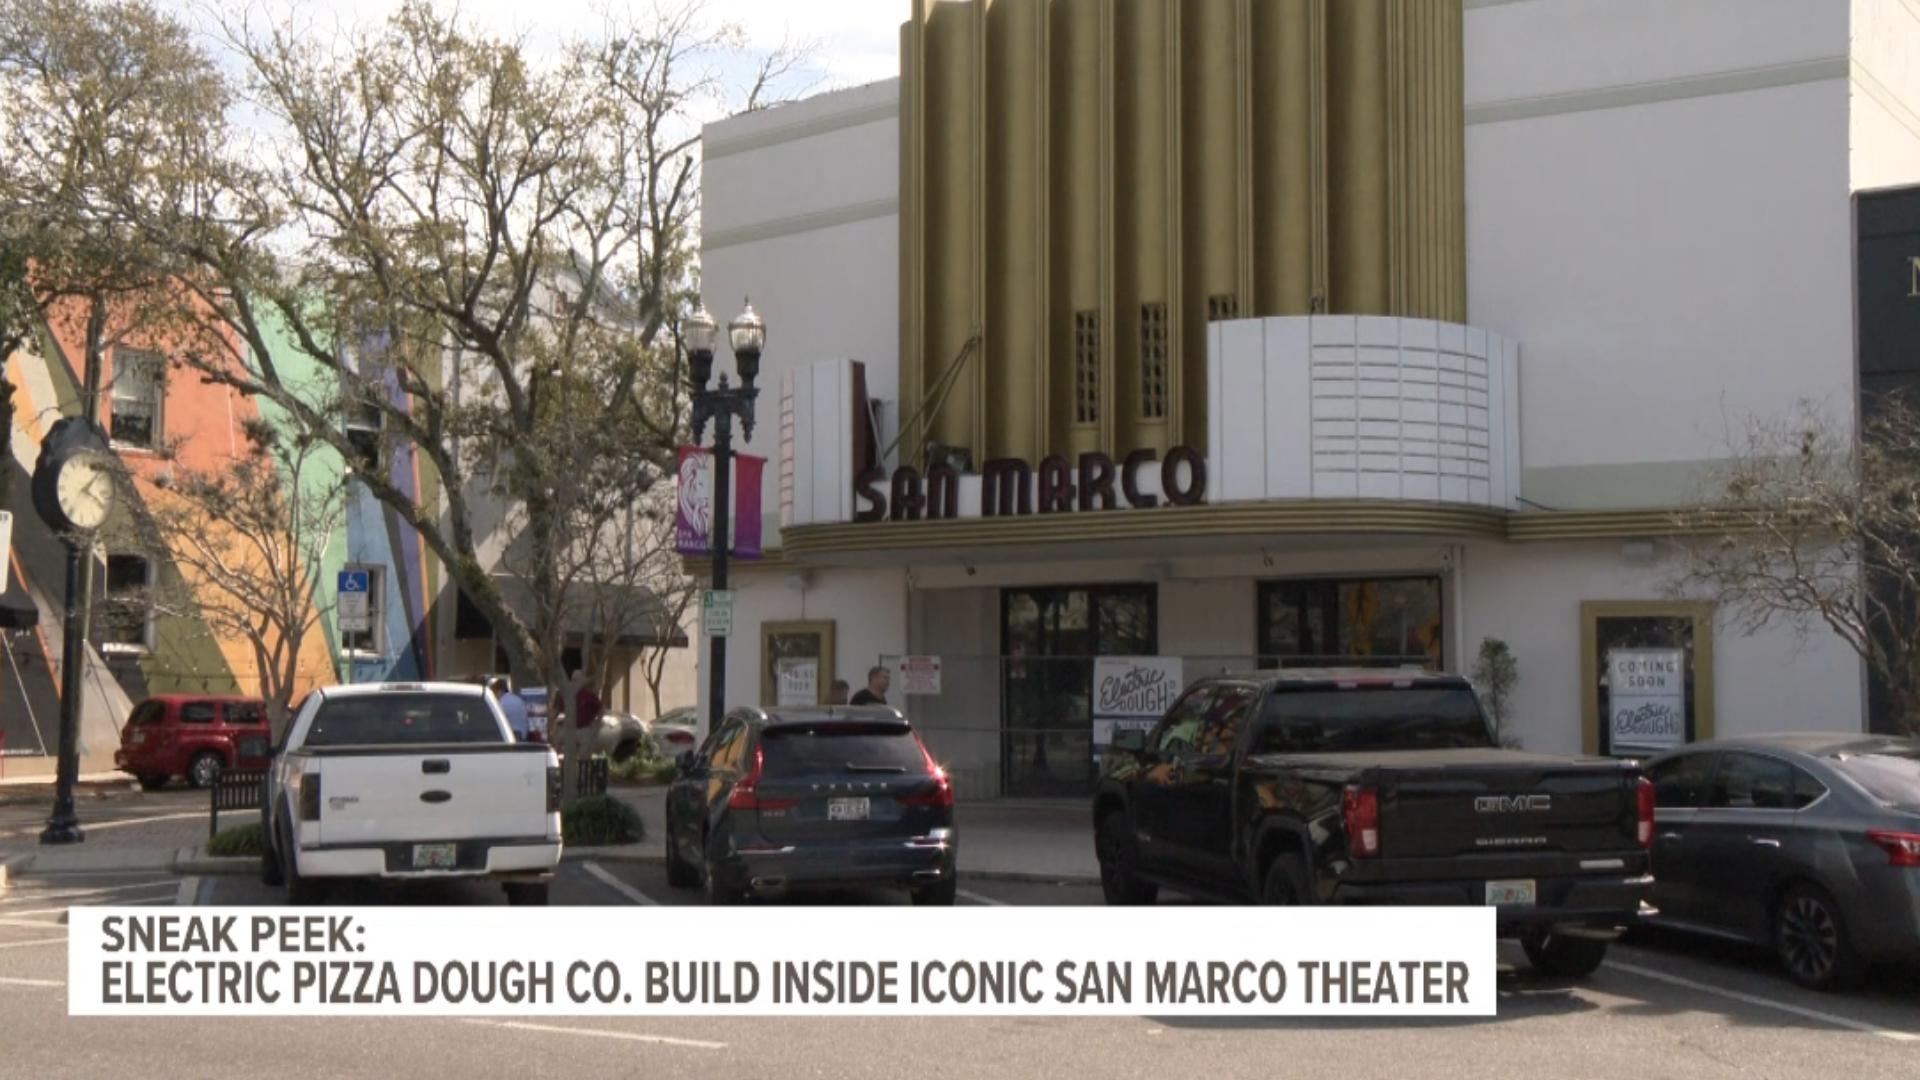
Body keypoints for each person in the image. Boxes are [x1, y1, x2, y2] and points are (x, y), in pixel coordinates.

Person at [490, 677, 531, 741]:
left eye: (494, 692)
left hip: (512, 738)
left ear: (499, 691)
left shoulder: (502, 703)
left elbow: (494, 721)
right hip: (524, 737)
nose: (493, 695)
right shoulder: (518, 699)